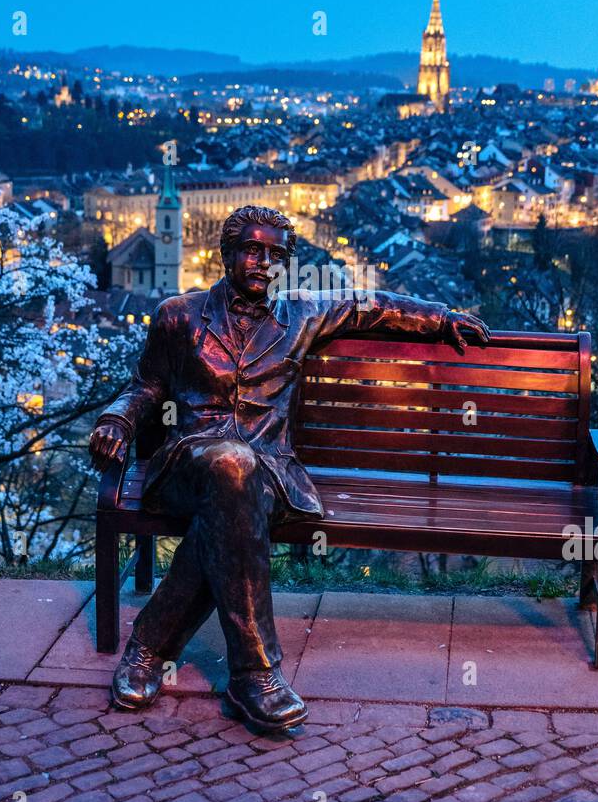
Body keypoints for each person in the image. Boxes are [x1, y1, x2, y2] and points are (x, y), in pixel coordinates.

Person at [89, 205, 490, 732]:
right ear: (227, 253)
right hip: (187, 463)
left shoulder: (302, 314)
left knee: (234, 491)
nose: (263, 262)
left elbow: (370, 305)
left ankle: (149, 644)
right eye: (253, 250)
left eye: (276, 255)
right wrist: (118, 419)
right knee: (230, 469)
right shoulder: (178, 314)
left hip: (270, 474)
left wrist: (439, 317)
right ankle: (255, 674)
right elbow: (146, 387)